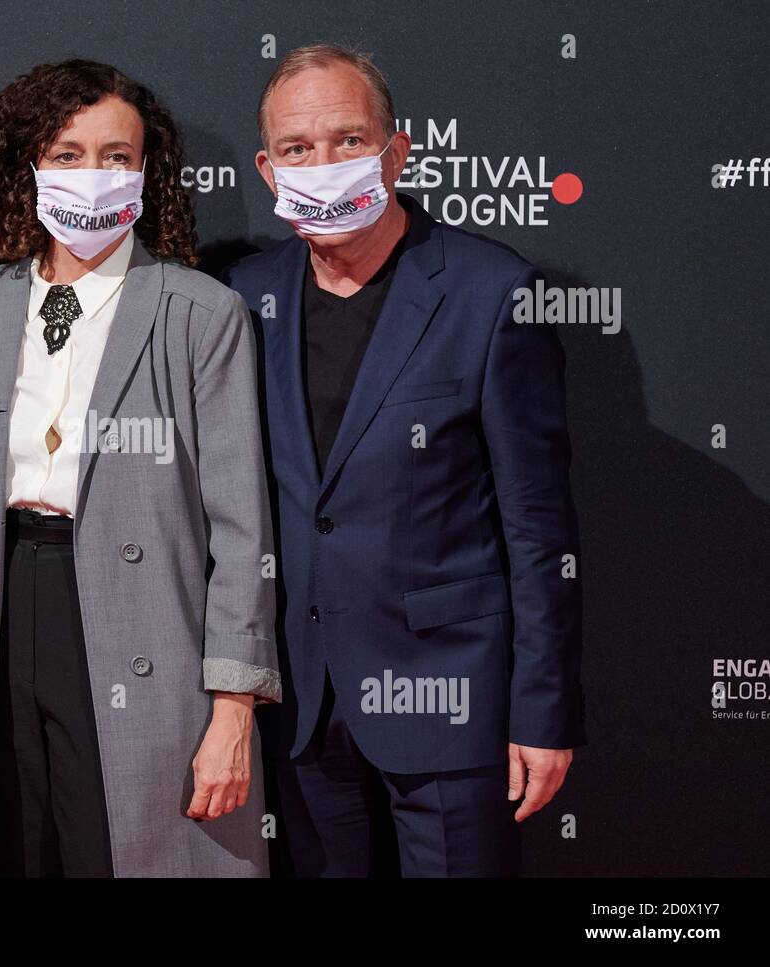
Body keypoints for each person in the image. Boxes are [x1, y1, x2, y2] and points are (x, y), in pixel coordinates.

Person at [0, 59, 279, 877]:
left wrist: (233, 709)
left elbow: (243, 532)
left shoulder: (200, 313)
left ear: (146, 172)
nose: (91, 177)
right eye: (67, 155)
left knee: (121, 845)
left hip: (138, 621)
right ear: (26, 165)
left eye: (116, 156)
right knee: (8, 846)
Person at [224, 43, 586, 876]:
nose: (323, 164)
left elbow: (539, 529)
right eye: (298, 149)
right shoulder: (244, 295)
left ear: (399, 151)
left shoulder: (491, 292)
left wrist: (543, 709)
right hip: (303, 700)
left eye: (348, 140)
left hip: (451, 697)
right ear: (269, 171)